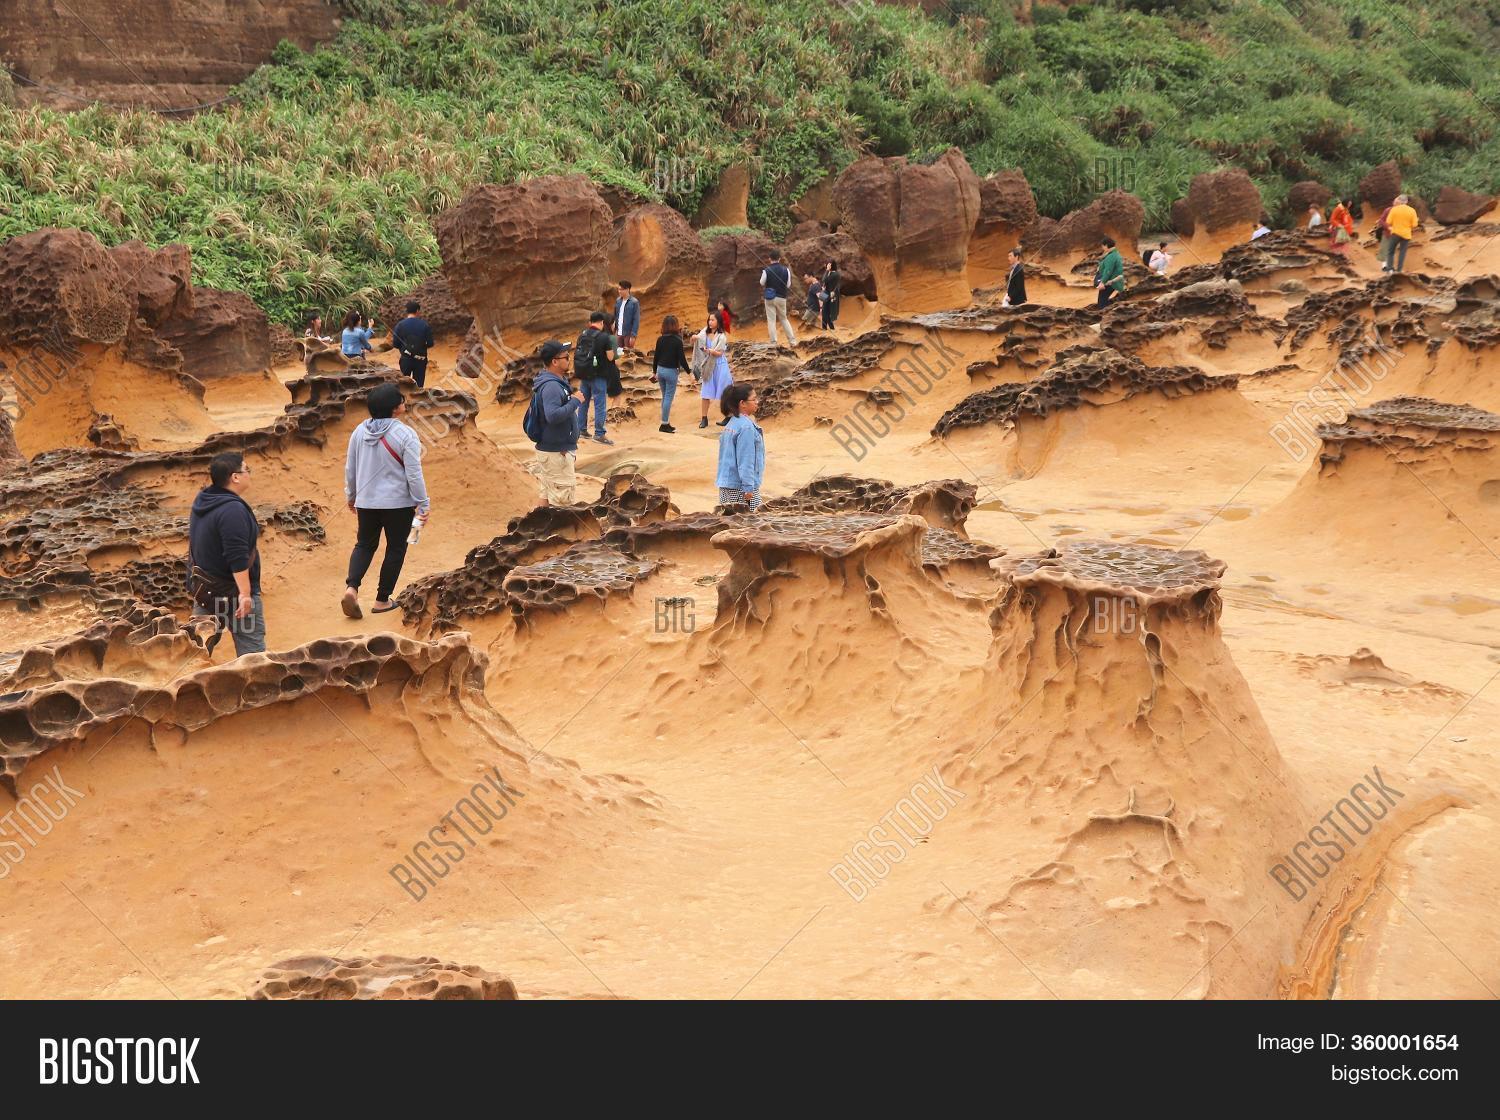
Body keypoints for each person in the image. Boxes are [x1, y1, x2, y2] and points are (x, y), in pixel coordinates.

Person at [340, 383, 431, 617]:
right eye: (401, 400)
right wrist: (423, 503)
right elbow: (413, 473)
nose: (404, 403)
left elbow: (351, 467)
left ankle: (352, 588)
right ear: (394, 408)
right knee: (396, 547)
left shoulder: (359, 431)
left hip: (367, 502)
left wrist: (351, 495)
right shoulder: (405, 434)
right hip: (398, 504)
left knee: (364, 544)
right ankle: (382, 600)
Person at [188, 451, 265, 657]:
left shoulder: (203, 500)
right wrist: (246, 595)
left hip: (205, 591)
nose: (249, 474)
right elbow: (237, 557)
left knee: (197, 652)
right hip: (233, 594)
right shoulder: (232, 510)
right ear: (235, 477)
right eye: (247, 470)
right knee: (253, 658)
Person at [524, 340, 585, 505]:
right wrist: (575, 401)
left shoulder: (553, 382)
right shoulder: (551, 386)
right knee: (562, 505)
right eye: (566, 356)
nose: (569, 359)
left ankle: (535, 530)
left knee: (546, 497)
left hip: (553, 452)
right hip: (557, 454)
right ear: (554, 361)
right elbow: (553, 416)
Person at [715, 384, 764, 510]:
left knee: (730, 523)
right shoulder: (746, 427)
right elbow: (746, 460)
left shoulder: (732, 424)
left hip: (727, 486)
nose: (757, 402)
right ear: (742, 403)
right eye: (754, 399)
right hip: (740, 488)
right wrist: (748, 488)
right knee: (751, 524)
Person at [575, 311, 617, 446]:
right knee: (600, 404)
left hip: (583, 373)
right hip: (598, 376)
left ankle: (581, 429)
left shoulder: (582, 335)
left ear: (590, 323)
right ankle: (599, 434)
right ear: (602, 323)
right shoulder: (604, 337)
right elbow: (610, 357)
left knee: (583, 402)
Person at [651, 314, 693, 433]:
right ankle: (664, 424)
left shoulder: (660, 339)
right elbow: (682, 359)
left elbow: (656, 356)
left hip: (660, 369)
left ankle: (666, 422)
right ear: (676, 326)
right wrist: (689, 372)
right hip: (671, 372)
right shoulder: (677, 341)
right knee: (668, 397)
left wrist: (654, 372)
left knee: (665, 396)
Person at [695, 312, 732, 429]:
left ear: (718, 322)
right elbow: (698, 339)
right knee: (706, 392)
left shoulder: (722, 337)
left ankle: (729, 417)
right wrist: (694, 338)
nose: (710, 322)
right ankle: (704, 419)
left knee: (725, 392)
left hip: (720, 365)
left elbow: (719, 353)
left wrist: (709, 351)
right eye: (709, 320)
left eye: (713, 320)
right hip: (709, 366)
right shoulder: (704, 333)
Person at [760, 250, 797, 348]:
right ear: (779, 258)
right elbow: (788, 285)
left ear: (769, 259)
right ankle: (792, 341)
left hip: (769, 298)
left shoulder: (766, 270)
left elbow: (762, 282)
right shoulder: (786, 270)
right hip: (781, 297)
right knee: (784, 319)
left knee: (771, 320)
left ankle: (773, 343)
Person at [1381, 194, 1419, 273]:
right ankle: (1399, 270)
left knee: (1390, 251)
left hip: (1395, 233)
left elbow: (1388, 222)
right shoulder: (1412, 210)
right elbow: (1415, 225)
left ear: (1399, 201)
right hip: (1406, 235)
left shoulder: (1394, 210)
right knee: (1402, 252)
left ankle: (1390, 269)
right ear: (1406, 201)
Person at [1094, 237, 1125, 309]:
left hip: (1110, 282)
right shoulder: (1115, 253)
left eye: (1103, 246)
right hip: (1113, 281)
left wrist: (1102, 283)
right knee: (1103, 300)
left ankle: (1106, 316)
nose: (1102, 248)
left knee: (1102, 303)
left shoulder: (1111, 256)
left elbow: (1108, 271)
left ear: (1106, 245)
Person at [613, 281, 640, 352]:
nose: (619, 291)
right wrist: (615, 330)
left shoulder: (634, 302)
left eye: (621, 289)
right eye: (618, 289)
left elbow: (636, 320)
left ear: (627, 289)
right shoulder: (618, 301)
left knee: (627, 355)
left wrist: (633, 336)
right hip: (619, 333)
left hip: (628, 334)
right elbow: (615, 316)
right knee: (619, 355)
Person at [820, 260, 841, 329]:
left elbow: (824, 280)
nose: (827, 266)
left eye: (829, 265)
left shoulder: (835, 274)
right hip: (826, 293)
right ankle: (824, 328)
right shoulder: (830, 273)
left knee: (828, 312)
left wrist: (826, 271)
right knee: (824, 311)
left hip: (831, 295)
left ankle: (831, 328)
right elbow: (824, 282)